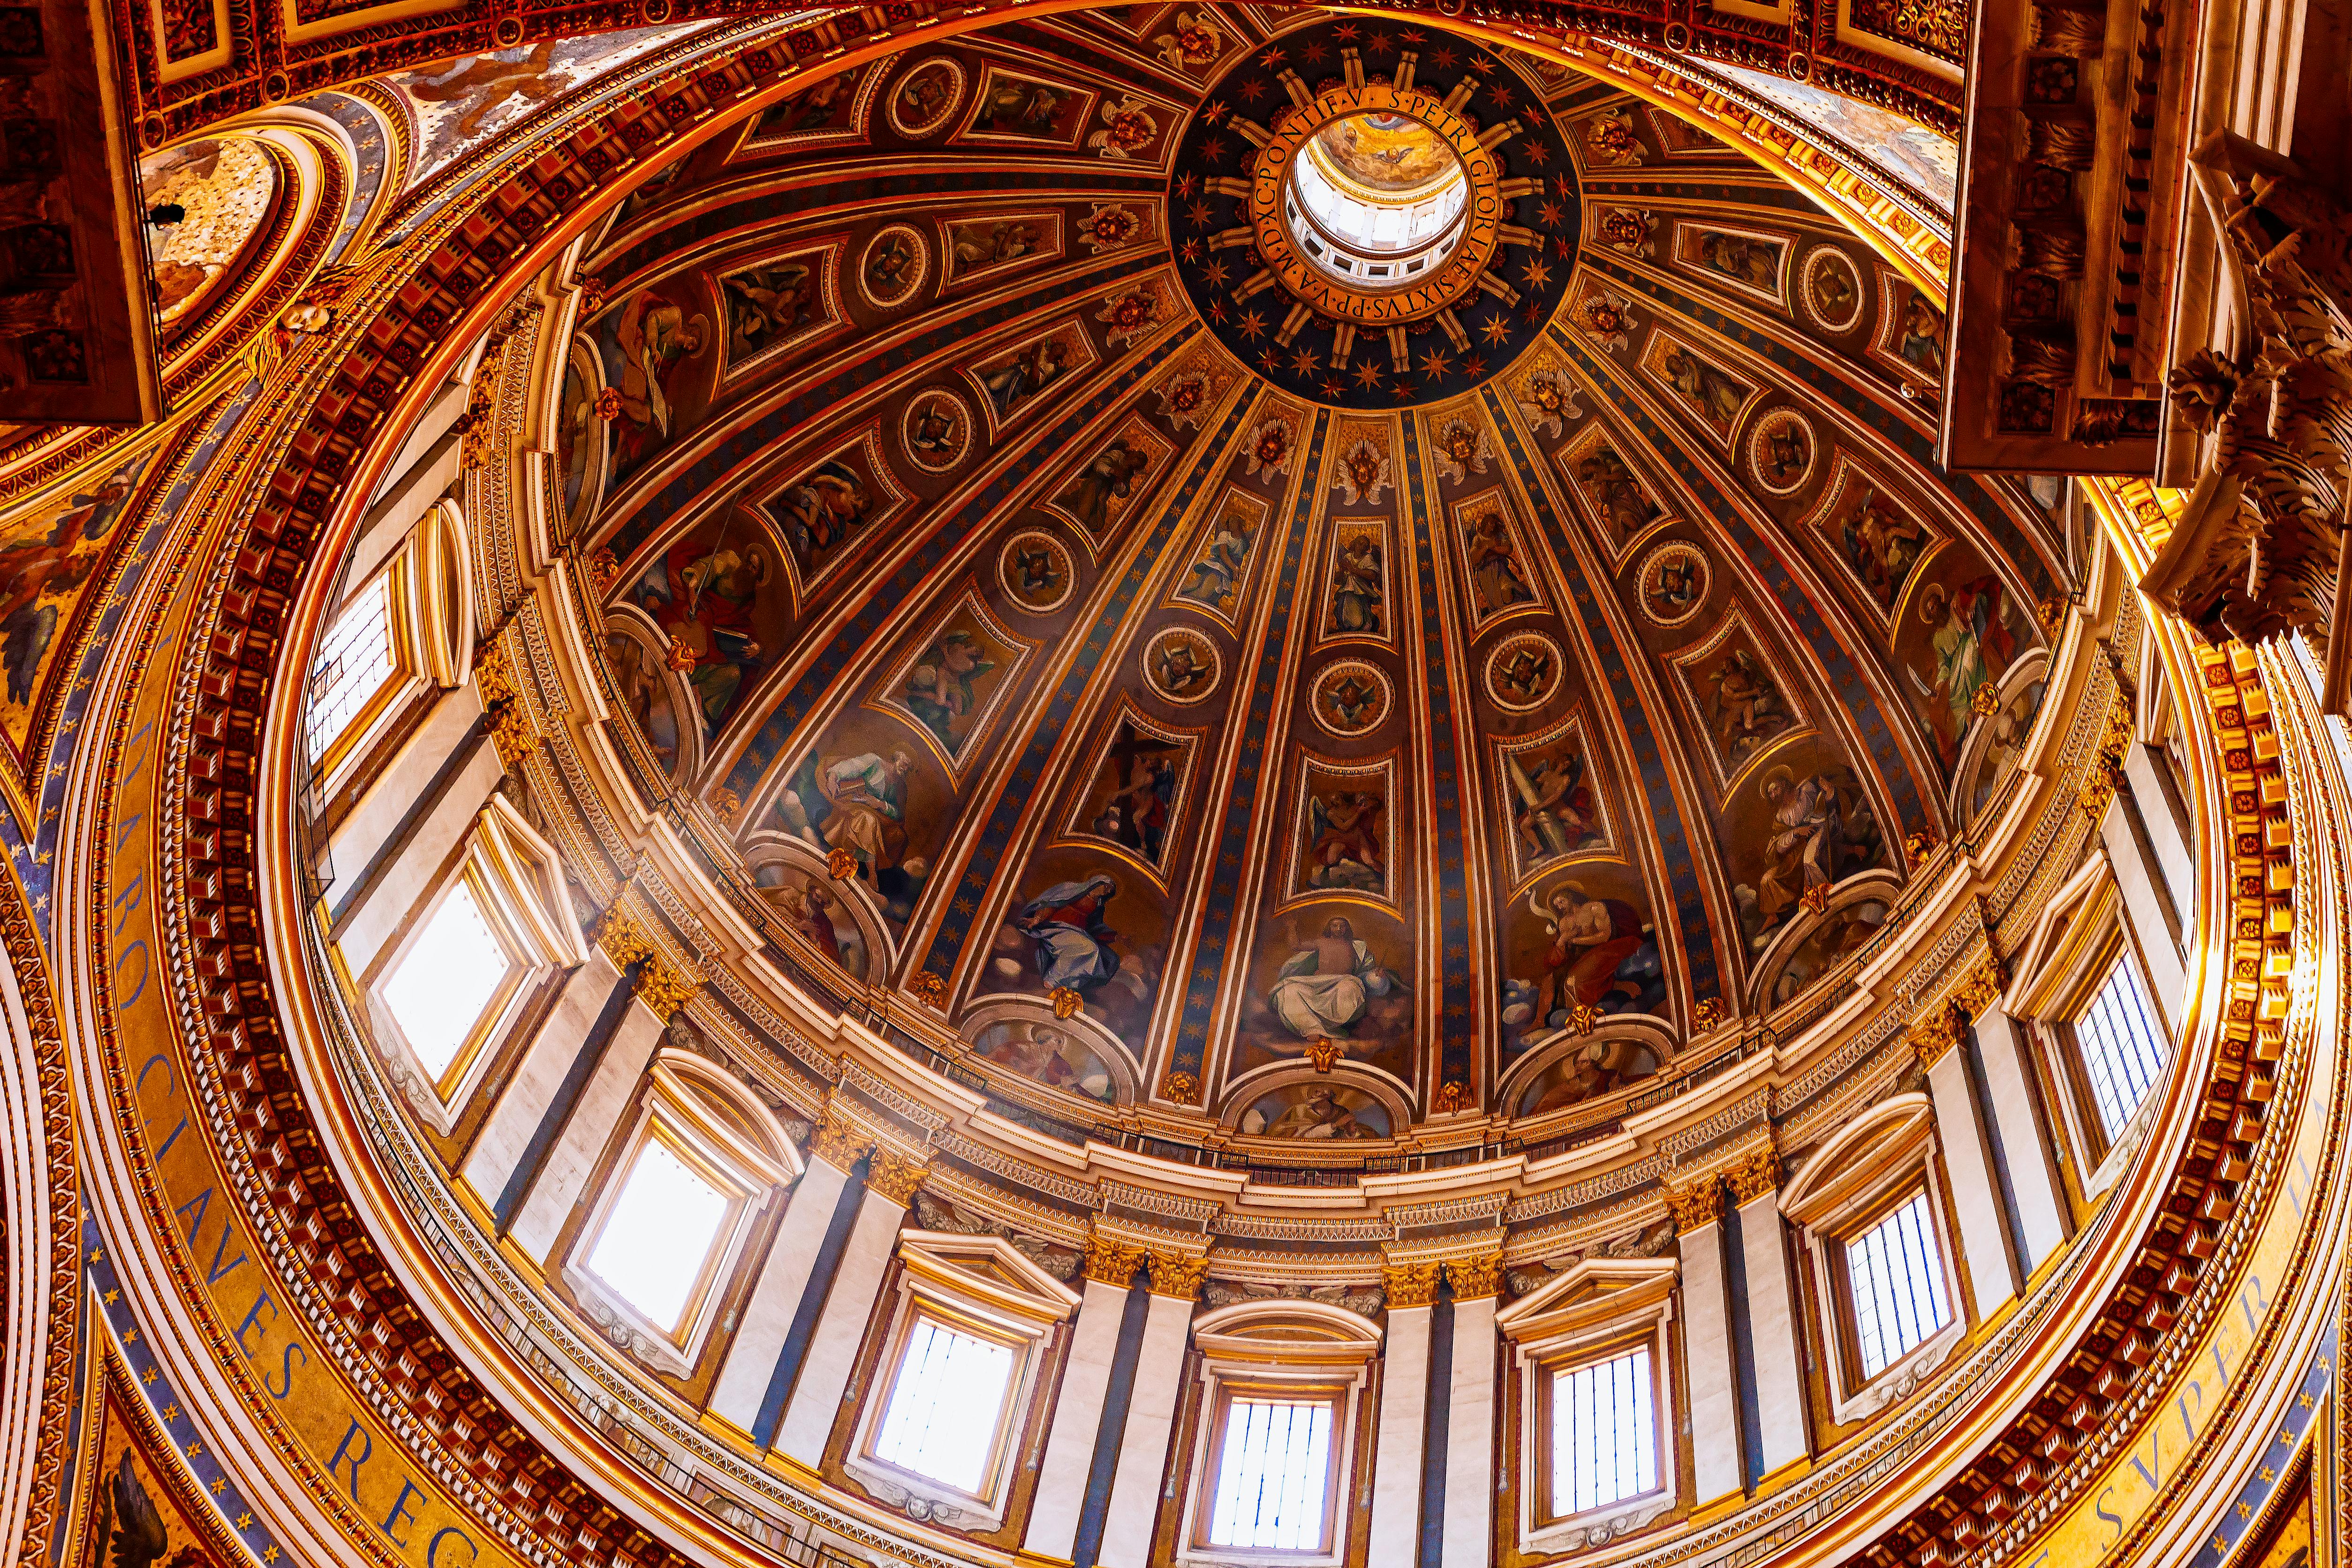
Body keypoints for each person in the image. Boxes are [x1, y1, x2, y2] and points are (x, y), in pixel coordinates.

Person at [1268, 917, 1401, 1038]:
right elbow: (1296, 946)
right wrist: (1292, 928)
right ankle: (1312, 1029)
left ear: (1347, 929)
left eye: (1342, 926)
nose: (1339, 929)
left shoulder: (1356, 947)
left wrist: (1377, 976)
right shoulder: (1322, 942)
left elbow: (1367, 974)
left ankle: (1331, 1026)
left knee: (1350, 988)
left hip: (1343, 983)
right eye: (1335, 926)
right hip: (1317, 983)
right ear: (1329, 928)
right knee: (1289, 990)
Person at [1013, 875, 1122, 991]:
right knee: (1089, 948)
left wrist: (1115, 937)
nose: (1106, 892)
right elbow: (1052, 904)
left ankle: (1069, 986)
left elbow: (1096, 930)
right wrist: (1037, 919)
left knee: (1111, 958)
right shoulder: (1074, 890)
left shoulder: (1099, 906)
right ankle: (1052, 980)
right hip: (1057, 928)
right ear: (1097, 883)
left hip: (1078, 933)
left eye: (1109, 891)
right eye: (1106, 887)